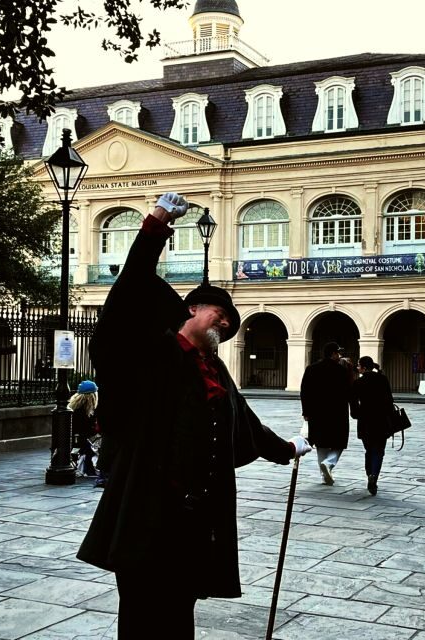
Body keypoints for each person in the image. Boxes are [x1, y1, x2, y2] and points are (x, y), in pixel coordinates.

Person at [76, 192, 311, 639]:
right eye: (220, 316)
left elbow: (243, 424)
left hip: (195, 516)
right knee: (145, 611)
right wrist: (157, 224)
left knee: (181, 610)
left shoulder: (215, 369)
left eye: (229, 325)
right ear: (192, 309)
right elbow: (128, 294)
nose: (224, 326)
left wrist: (287, 449)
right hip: (147, 509)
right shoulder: (147, 354)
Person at [300, 341, 351, 486]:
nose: (339, 355)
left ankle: (324, 476)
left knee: (321, 444)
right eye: (338, 353)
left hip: (317, 413)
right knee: (339, 443)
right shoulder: (341, 371)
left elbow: (305, 391)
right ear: (333, 354)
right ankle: (329, 463)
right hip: (337, 413)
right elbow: (348, 392)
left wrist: (306, 411)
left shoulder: (312, 368)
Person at [350, 356, 394, 495]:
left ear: (363, 367)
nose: (357, 368)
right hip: (382, 420)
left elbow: (353, 402)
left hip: (365, 421)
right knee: (379, 451)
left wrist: (356, 414)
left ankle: (370, 474)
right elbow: (389, 401)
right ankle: (374, 475)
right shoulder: (383, 379)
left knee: (369, 450)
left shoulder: (358, 383)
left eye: (358, 366)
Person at [69, 379, 99, 477]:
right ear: (92, 396)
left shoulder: (74, 407)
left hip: (76, 438)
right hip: (83, 440)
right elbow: (89, 430)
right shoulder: (85, 411)